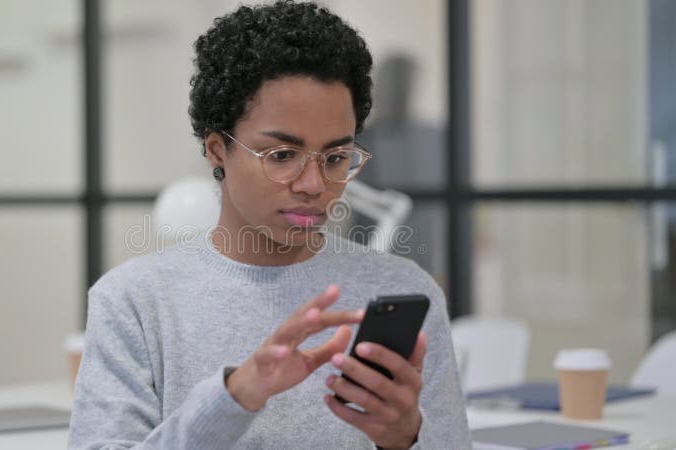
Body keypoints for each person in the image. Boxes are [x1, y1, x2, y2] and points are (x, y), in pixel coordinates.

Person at [68, 2, 470, 449]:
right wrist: (233, 398)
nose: (315, 185)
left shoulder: (403, 289)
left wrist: (405, 438)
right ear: (217, 149)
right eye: (282, 156)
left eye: (336, 157)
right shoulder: (133, 303)